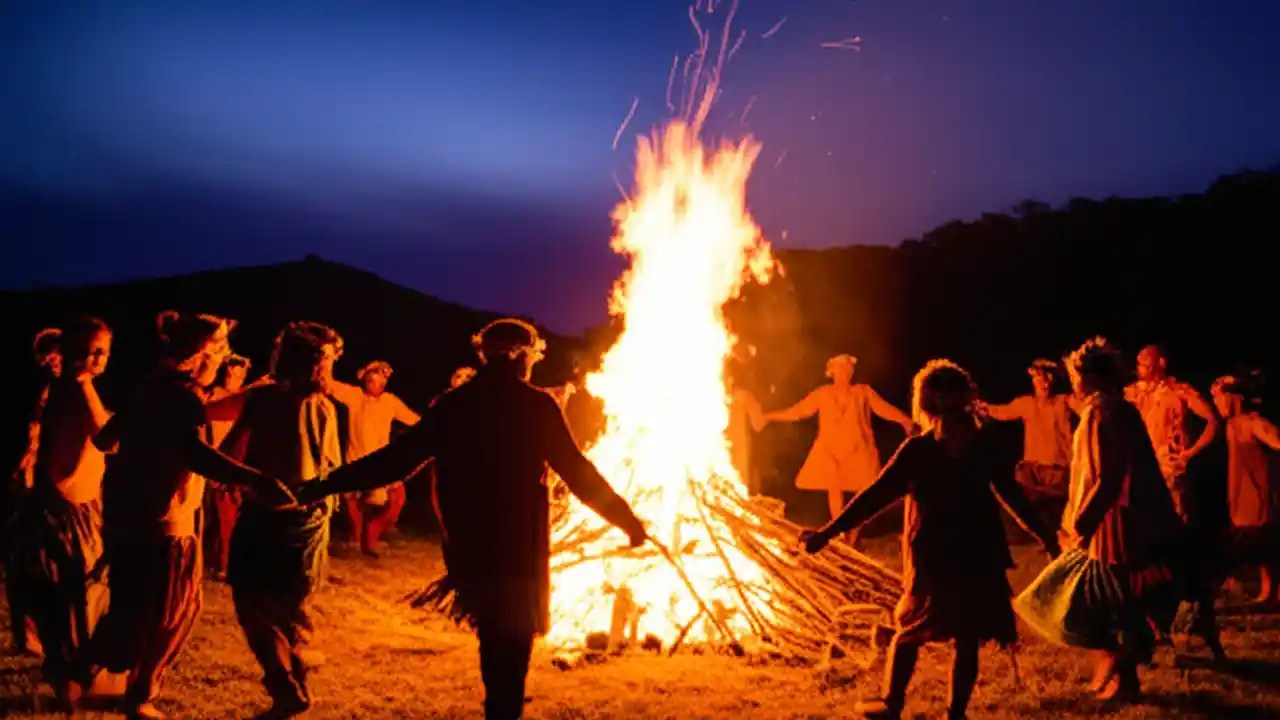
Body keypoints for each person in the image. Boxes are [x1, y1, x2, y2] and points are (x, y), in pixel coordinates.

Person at [294, 318, 648, 720]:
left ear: (483, 354)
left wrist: (324, 485)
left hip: (468, 543)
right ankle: (503, 709)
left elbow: (395, 461)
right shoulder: (534, 406)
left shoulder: (454, 404)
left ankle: (499, 705)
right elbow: (578, 473)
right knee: (512, 637)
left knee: (494, 632)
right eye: (531, 355)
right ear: (522, 356)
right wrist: (627, 520)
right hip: (518, 543)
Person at [801, 359, 1059, 720]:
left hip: (937, 555)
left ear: (925, 404)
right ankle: (955, 714)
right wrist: (1046, 537)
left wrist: (827, 533)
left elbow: (875, 496)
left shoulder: (922, 449)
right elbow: (1012, 497)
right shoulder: (974, 445)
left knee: (910, 633)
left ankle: (892, 705)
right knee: (965, 638)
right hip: (977, 553)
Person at [92, 311, 293, 720]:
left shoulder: (150, 388)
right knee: (172, 613)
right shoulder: (183, 398)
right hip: (165, 524)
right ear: (202, 354)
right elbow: (198, 454)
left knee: (138, 606)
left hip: (133, 516)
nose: (224, 359)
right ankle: (137, 694)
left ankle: (100, 676)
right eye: (221, 350)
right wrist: (256, 481)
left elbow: (105, 438)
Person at [1020, 337, 1186, 702]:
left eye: (1075, 375)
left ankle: (1125, 677)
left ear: (1089, 377)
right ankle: (1114, 671)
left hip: (1114, 524)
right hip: (1117, 518)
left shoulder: (1103, 413)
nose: (1073, 382)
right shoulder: (1115, 408)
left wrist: (1084, 522)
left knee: (1114, 601)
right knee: (1108, 600)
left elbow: (1108, 476)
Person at [218, 323, 343, 716]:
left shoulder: (266, 398)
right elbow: (334, 467)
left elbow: (229, 450)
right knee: (292, 606)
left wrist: (235, 479)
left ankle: (283, 683)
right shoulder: (325, 404)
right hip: (312, 520)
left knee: (254, 602)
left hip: (268, 512)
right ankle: (295, 684)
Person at [21, 317, 113, 710]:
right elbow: (108, 438)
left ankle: (70, 677)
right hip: (66, 509)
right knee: (73, 593)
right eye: (84, 351)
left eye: (100, 352)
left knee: (76, 592)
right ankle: (69, 680)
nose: (92, 360)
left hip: (79, 504)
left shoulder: (69, 389)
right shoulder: (73, 389)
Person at [760, 354, 913, 530]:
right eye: (840, 368)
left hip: (859, 448)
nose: (844, 372)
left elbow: (883, 409)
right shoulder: (823, 394)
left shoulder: (862, 392)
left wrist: (904, 419)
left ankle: (852, 532)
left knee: (863, 490)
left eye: (848, 368)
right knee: (834, 486)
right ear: (831, 372)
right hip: (831, 450)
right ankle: (838, 530)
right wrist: (769, 416)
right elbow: (798, 412)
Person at [3, 327, 62, 658]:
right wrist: (24, 472)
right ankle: (27, 633)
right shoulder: (40, 386)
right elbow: (31, 431)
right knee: (25, 559)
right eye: (55, 355)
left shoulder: (53, 386)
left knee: (31, 560)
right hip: (28, 481)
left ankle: (32, 632)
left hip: (37, 479)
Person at [327, 360, 420, 557]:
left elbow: (414, 420)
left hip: (382, 461)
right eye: (368, 377)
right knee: (352, 502)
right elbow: (329, 384)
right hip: (356, 458)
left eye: (377, 376)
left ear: (384, 380)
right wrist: (327, 362)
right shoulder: (354, 395)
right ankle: (356, 539)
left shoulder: (390, 401)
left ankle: (372, 532)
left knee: (397, 498)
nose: (372, 380)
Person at [1125, 345, 1219, 522]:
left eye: (1146, 360)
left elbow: (1213, 420)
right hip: (1142, 471)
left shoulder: (1179, 391)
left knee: (1178, 521)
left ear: (1160, 362)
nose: (1141, 365)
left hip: (1171, 469)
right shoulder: (1132, 393)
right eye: (1139, 362)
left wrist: (1190, 453)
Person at [1212, 374, 1280, 604]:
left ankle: (1258, 588)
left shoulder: (1254, 423)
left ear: (1236, 398)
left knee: (1258, 542)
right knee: (1265, 545)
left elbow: (1277, 442)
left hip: (1258, 496)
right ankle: (1269, 591)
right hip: (1242, 495)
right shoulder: (1232, 425)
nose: (1218, 405)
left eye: (1221, 399)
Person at [201, 353, 252, 581]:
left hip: (234, 466)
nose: (235, 378)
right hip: (211, 464)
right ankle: (217, 562)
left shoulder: (243, 400)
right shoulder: (216, 397)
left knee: (228, 518)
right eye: (231, 374)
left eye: (240, 374)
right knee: (214, 518)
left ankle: (224, 564)